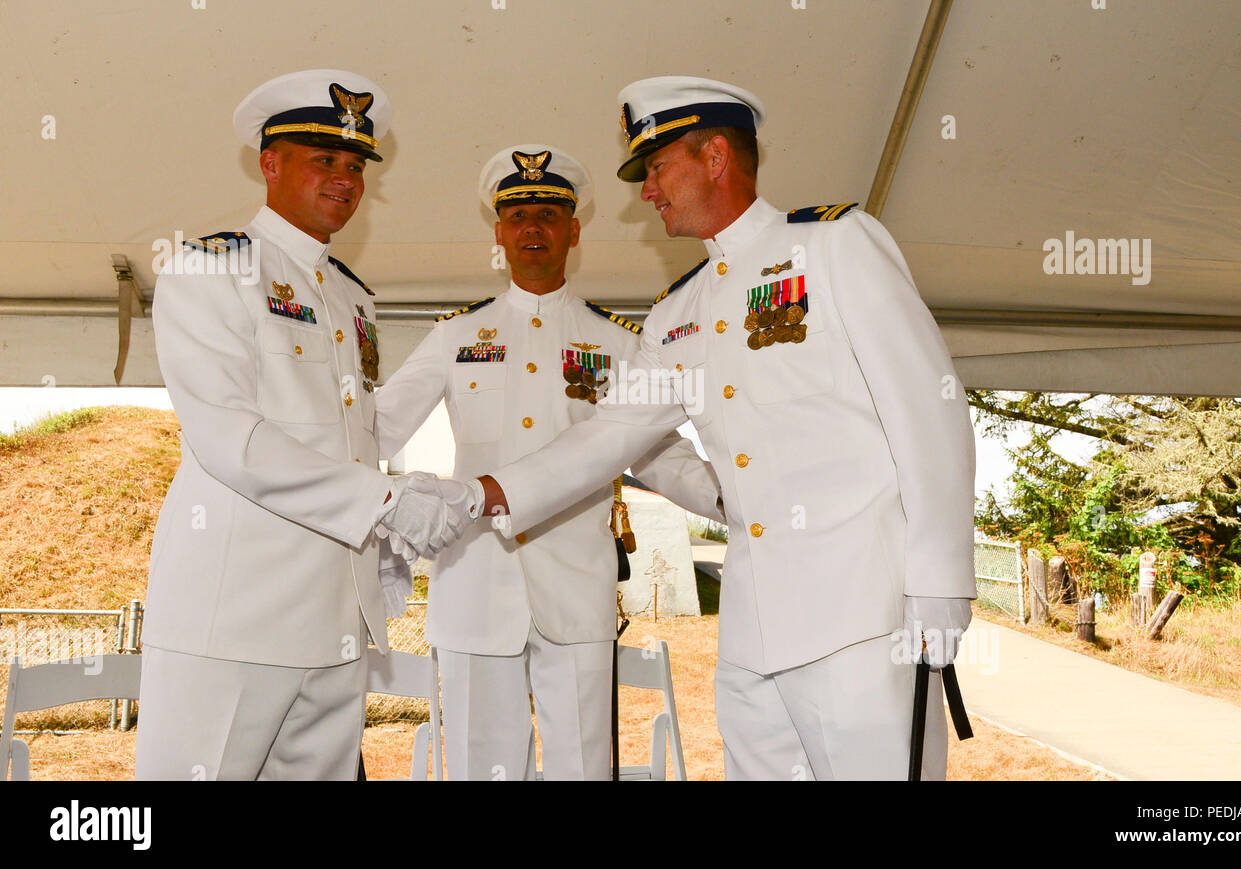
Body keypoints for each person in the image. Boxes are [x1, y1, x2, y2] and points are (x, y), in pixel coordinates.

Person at [473, 76, 977, 780]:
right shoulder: (677, 312)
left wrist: (941, 577)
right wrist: (491, 492)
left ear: (715, 157)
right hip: (751, 635)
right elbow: (608, 434)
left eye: (654, 169)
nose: (646, 191)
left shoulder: (835, 245)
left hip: (862, 619)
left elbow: (930, 407)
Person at [135, 69, 470, 780]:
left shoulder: (350, 298)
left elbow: (354, 437)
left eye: (356, 166)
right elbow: (231, 438)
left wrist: (411, 500)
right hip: (232, 623)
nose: (345, 179)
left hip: (334, 625)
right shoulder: (210, 270)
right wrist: (383, 500)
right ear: (270, 162)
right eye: (325, 160)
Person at [375, 145, 723, 780]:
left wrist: (742, 499)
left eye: (549, 214)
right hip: (476, 585)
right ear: (500, 231)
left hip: (576, 588)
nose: (533, 228)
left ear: (574, 229)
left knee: (585, 769)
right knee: (482, 768)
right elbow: (373, 428)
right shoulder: (455, 336)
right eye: (518, 215)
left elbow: (660, 453)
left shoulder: (619, 343)